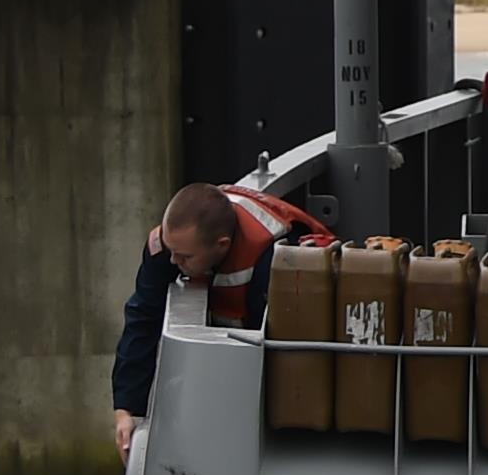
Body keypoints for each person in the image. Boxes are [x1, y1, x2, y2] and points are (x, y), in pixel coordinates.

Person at [111, 177, 328, 456]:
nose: (174, 263)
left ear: (222, 245)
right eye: (171, 251)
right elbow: (142, 319)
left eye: (185, 257)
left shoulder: (277, 262)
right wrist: (126, 408)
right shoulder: (168, 248)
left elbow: (294, 356)